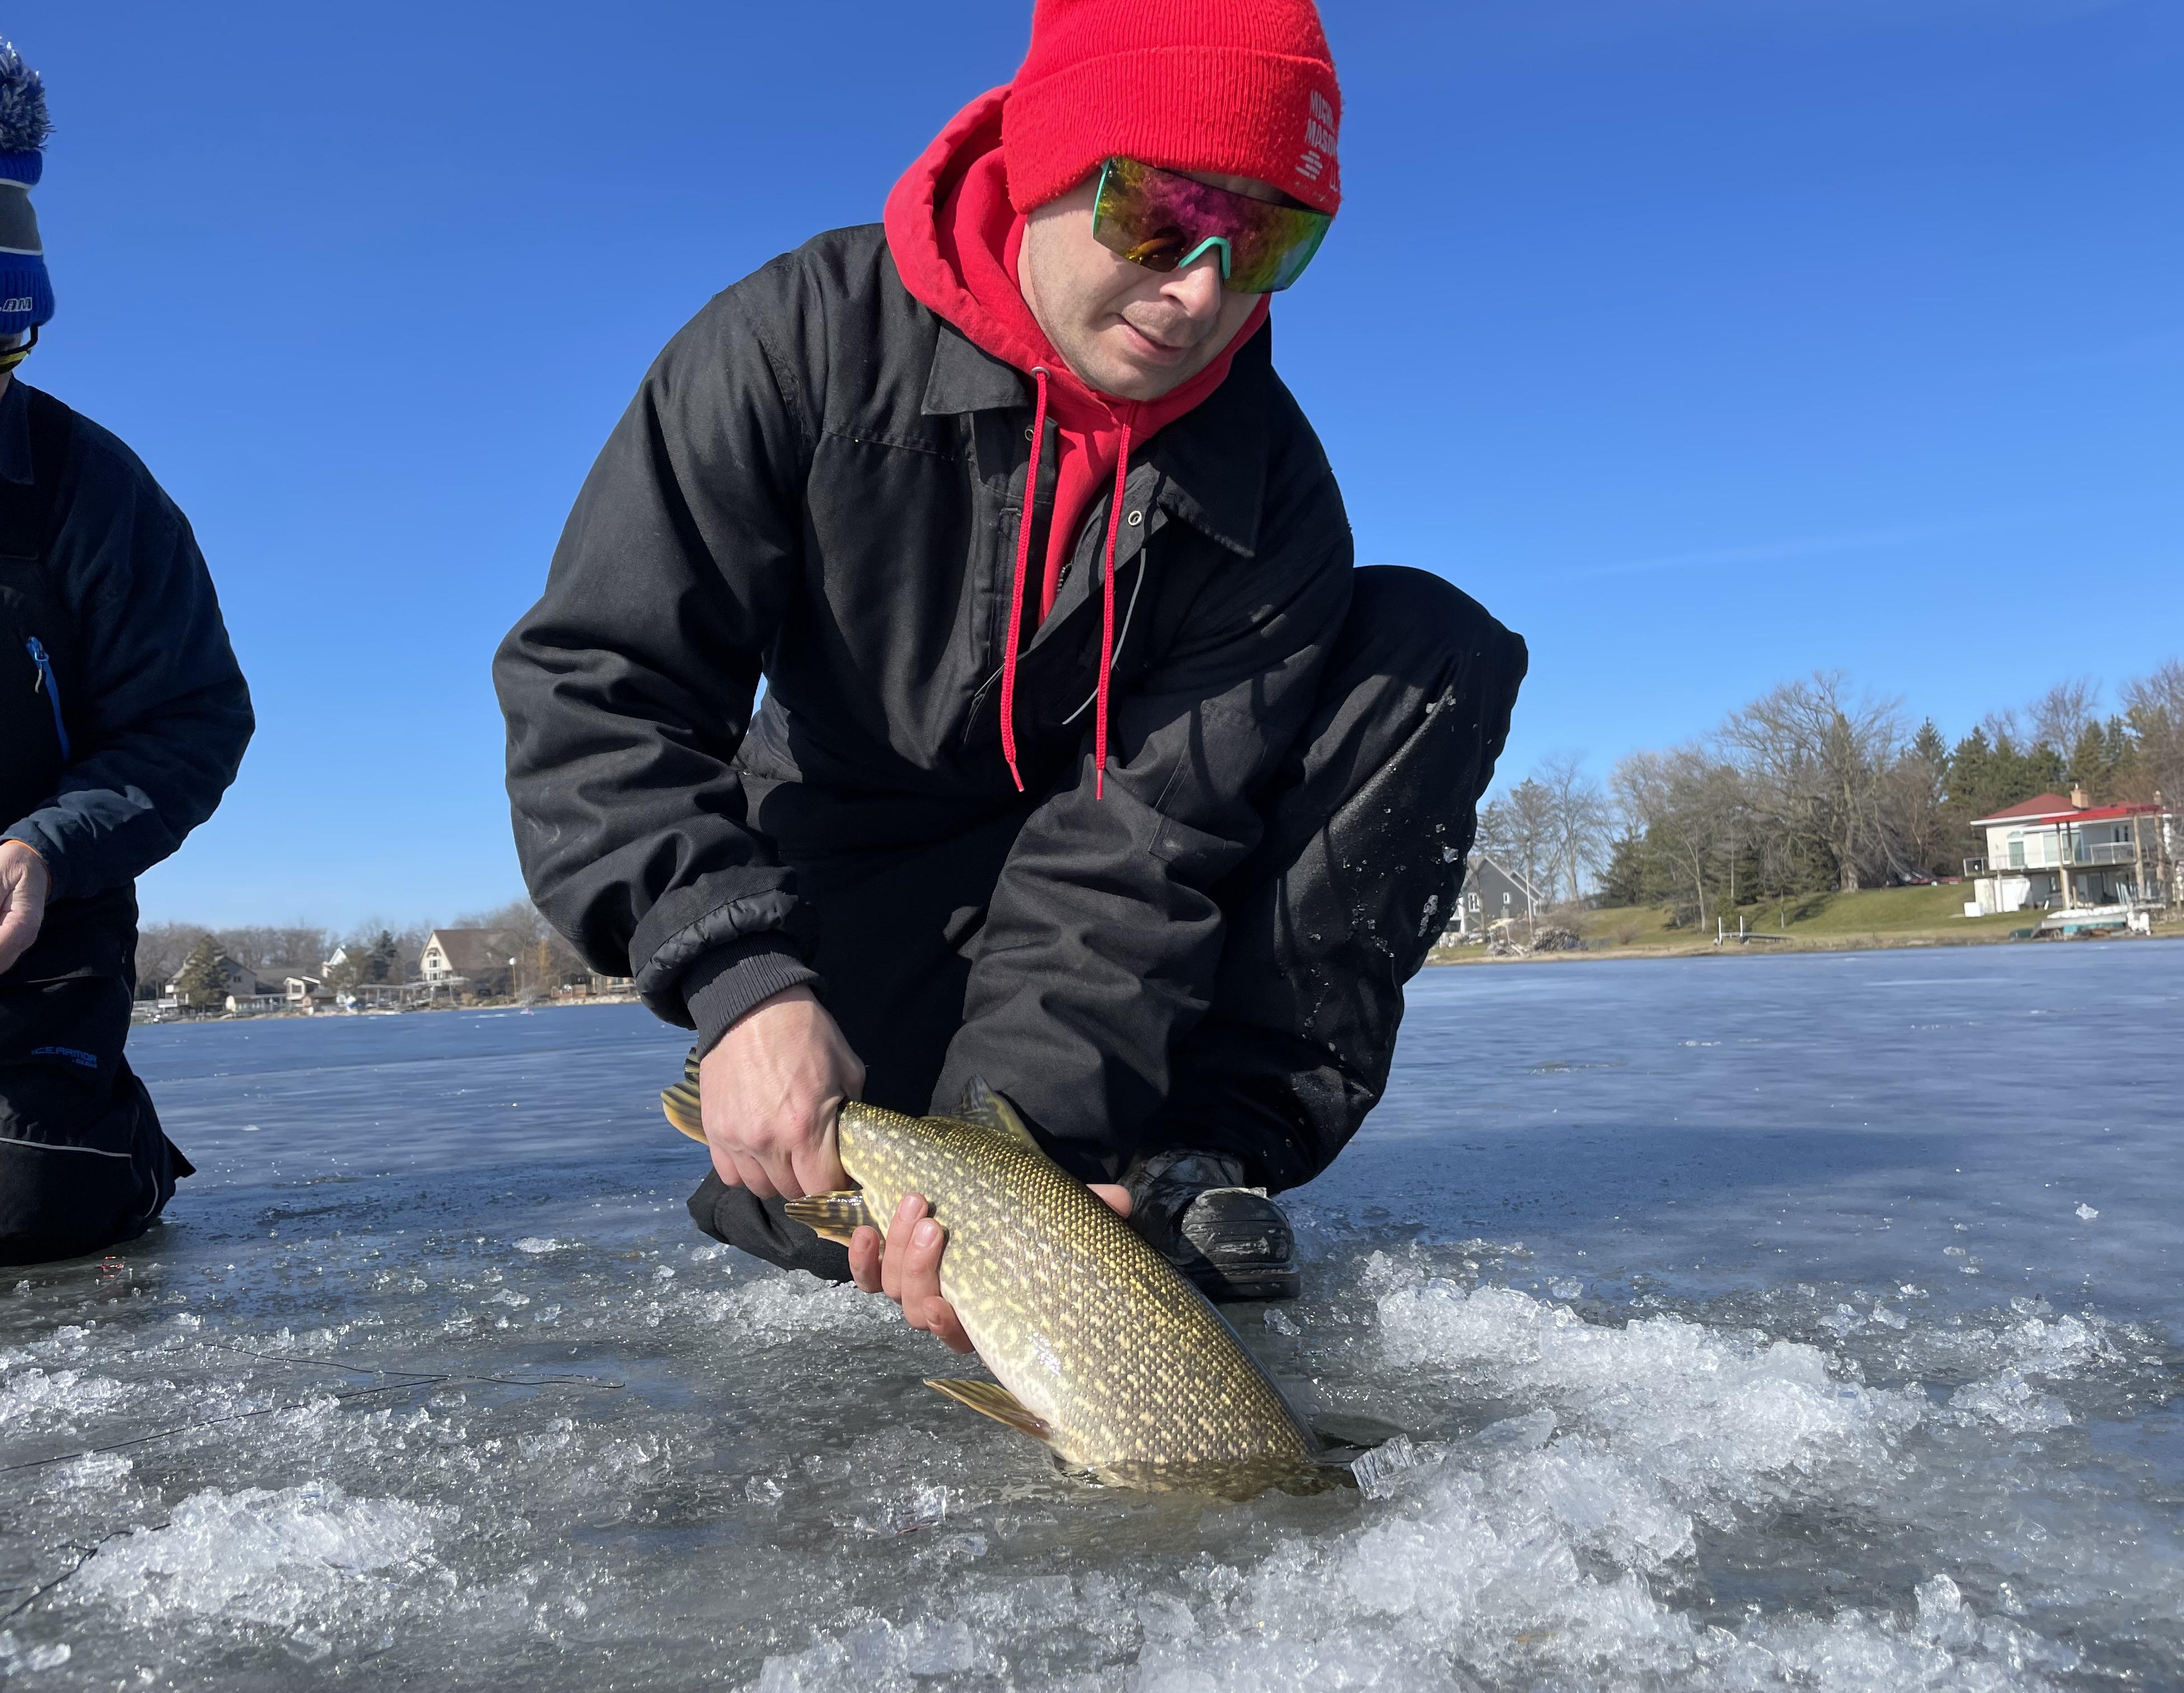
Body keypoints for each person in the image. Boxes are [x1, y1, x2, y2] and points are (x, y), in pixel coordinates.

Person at [495, 0, 1525, 1343]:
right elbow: (601, 687)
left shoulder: (1272, 484)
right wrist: (742, 985)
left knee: (1423, 649)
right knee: (835, 1222)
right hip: (851, 892)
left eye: (1266, 238)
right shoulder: (792, 345)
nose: (1203, 288)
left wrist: (1034, 1178)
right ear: (1047, 168)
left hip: (1098, 920)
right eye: (1159, 217)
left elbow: (1142, 848)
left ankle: (1195, 1156)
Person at [0, 45, 255, 1265]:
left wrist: (45, 849)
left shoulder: (89, 489)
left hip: (32, 944)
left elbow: (197, 717)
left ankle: (110, 1144)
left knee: (33, 1196)